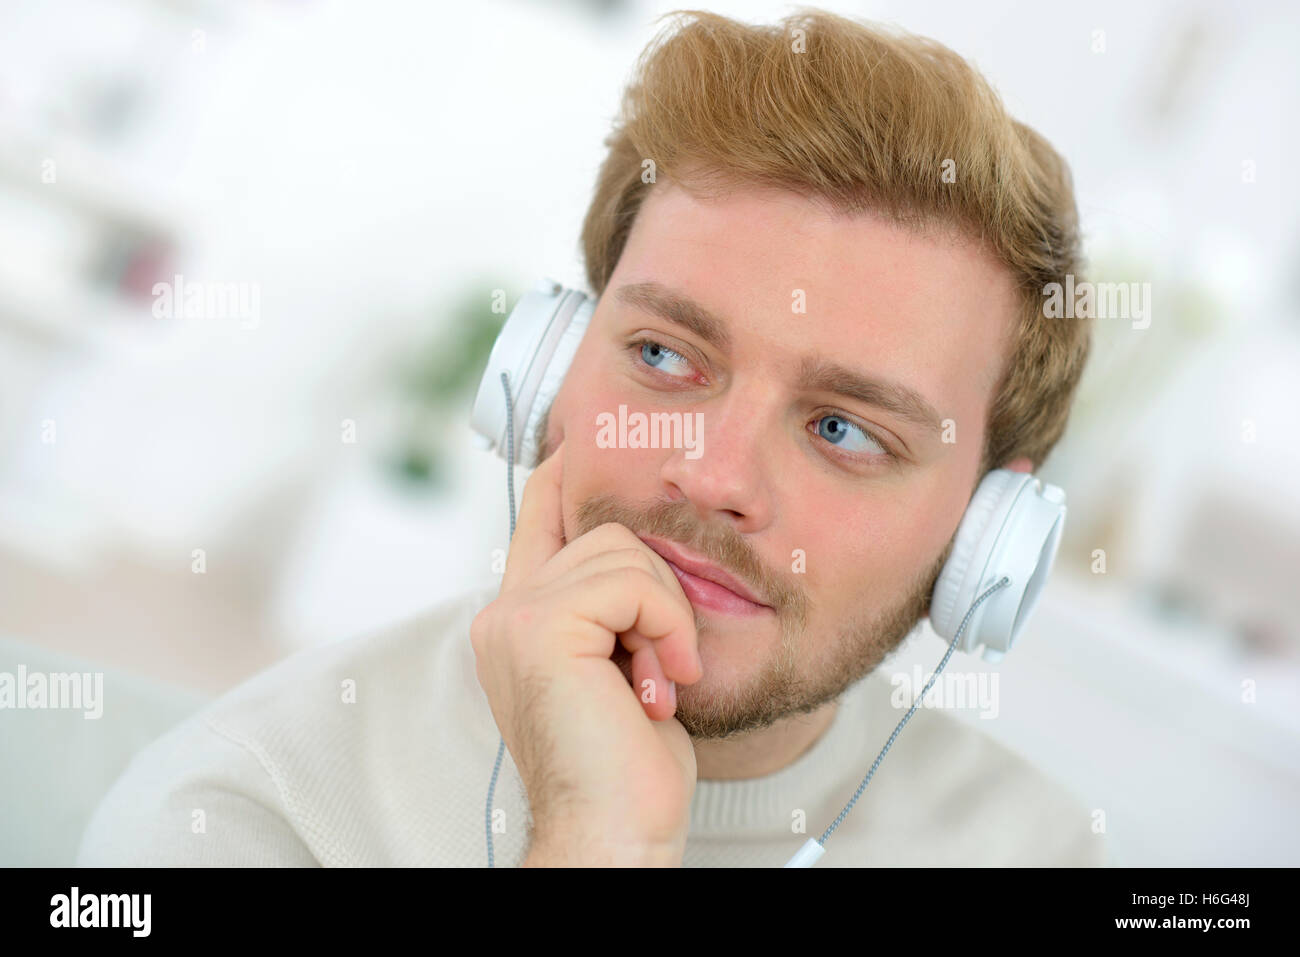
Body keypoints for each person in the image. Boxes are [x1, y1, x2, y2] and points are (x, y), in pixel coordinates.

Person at [78, 8, 1100, 868]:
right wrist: (591, 839)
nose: (709, 475)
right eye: (663, 357)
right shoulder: (248, 817)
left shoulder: (1046, 850)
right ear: (546, 372)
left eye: (844, 428)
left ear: (988, 535)